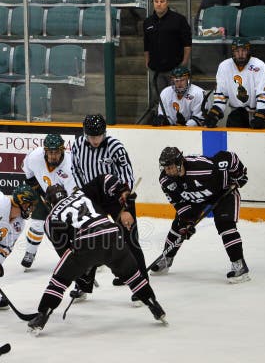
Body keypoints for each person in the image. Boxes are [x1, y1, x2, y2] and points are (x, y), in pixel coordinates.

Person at [26, 180, 167, 336]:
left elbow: (64, 251)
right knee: (133, 275)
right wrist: (122, 193)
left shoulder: (51, 218)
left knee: (58, 281)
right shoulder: (81, 194)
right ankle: (154, 304)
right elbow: (103, 188)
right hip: (112, 234)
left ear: (48, 202)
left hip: (87, 241)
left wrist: (80, 271)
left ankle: (42, 316)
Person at [70, 113, 147, 301]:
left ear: (104, 133)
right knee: (87, 240)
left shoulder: (115, 147)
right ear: (85, 134)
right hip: (92, 199)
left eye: (98, 136)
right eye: (91, 136)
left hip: (117, 197)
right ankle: (83, 284)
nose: (95, 140)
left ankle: (141, 286)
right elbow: (75, 170)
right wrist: (83, 193)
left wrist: (126, 203)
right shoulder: (78, 145)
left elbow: (127, 174)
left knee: (130, 240)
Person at [151, 147, 250, 283]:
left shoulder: (202, 168)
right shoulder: (165, 180)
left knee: (225, 225)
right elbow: (179, 203)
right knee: (178, 227)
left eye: (170, 167)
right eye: (165, 168)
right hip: (196, 198)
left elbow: (227, 157)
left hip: (223, 193)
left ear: (180, 163)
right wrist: (187, 223)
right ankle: (166, 258)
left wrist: (240, 174)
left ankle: (239, 265)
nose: (167, 171)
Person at [20, 133, 77, 269]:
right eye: (50, 152)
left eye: (56, 152)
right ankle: (30, 252)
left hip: (65, 198)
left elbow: (73, 195)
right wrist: (40, 193)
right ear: (45, 151)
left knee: (72, 225)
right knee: (38, 223)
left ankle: (81, 253)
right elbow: (29, 175)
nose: (53, 156)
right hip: (43, 193)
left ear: (62, 150)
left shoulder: (70, 166)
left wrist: (59, 205)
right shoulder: (34, 157)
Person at [142, 0, 192, 122]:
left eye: (162, 1)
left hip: (174, 69)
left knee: (177, 97)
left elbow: (187, 44)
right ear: (152, 3)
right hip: (156, 70)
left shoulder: (179, 20)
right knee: (157, 99)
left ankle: (179, 122)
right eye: (156, 1)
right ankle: (160, 121)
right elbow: (146, 45)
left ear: (167, 2)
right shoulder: (147, 22)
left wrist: (183, 63)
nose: (159, 4)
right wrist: (147, 62)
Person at [205, 37, 265, 129]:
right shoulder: (224, 66)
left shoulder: (258, 65)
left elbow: (263, 92)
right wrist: (215, 112)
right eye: (237, 51)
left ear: (248, 51)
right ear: (233, 52)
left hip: (262, 113)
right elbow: (221, 94)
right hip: (238, 115)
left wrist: (261, 113)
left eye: (244, 50)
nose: (240, 54)